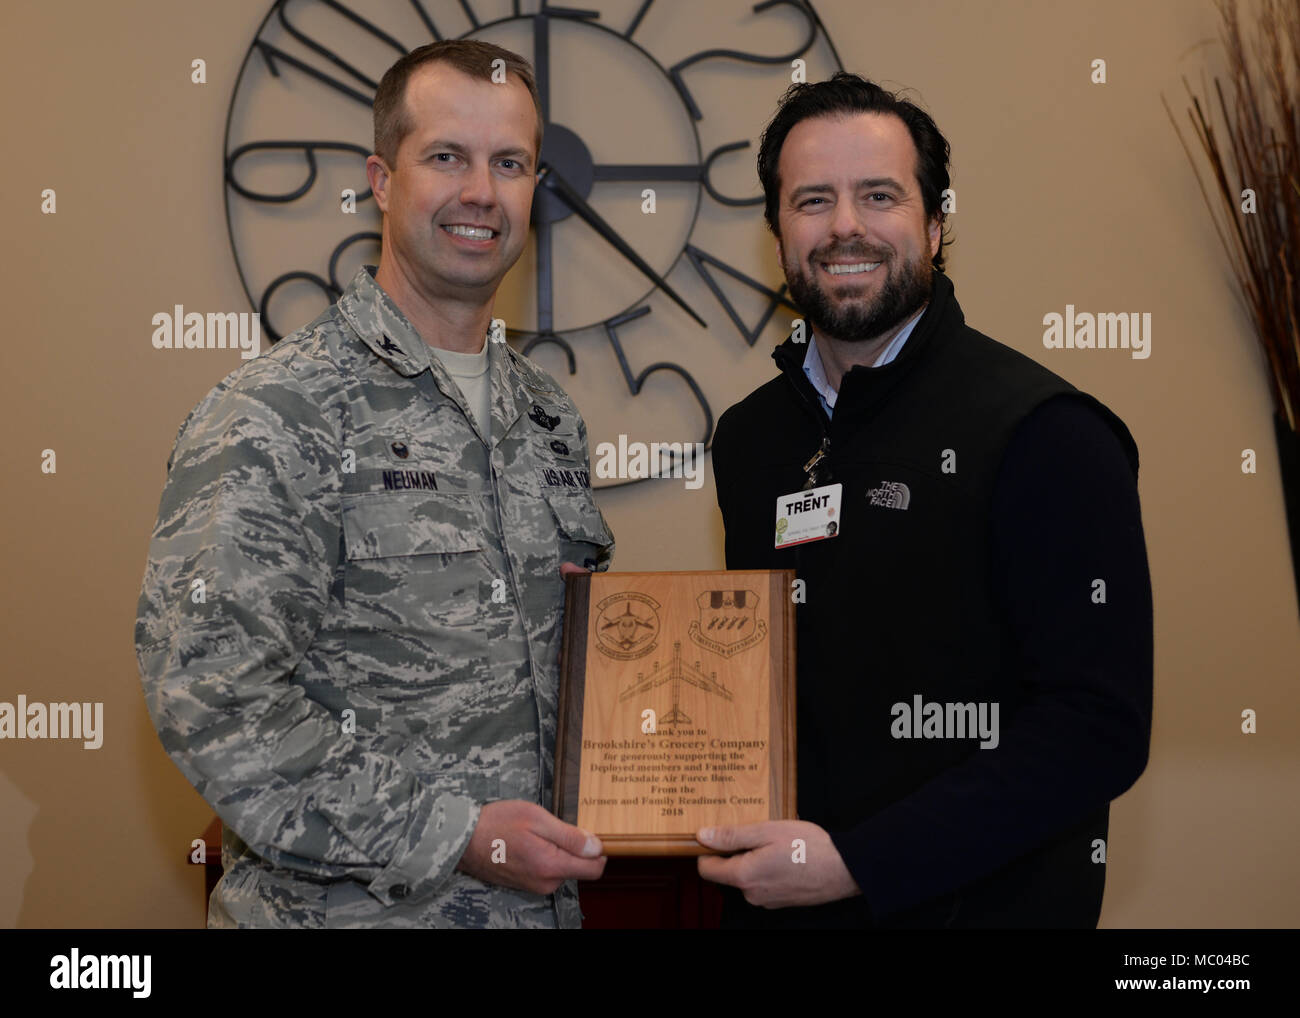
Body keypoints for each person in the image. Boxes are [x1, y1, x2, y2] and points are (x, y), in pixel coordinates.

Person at [135, 39, 615, 928]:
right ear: (382, 180)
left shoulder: (548, 418)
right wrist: (453, 832)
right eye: (446, 157)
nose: (481, 192)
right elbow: (214, 696)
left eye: (509, 163)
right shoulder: (280, 409)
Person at [699, 73, 1153, 928]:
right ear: (777, 233)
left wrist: (859, 863)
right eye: (812, 201)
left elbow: (1098, 726)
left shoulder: (1047, 431)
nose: (844, 227)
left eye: (879, 195)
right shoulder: (751, 441)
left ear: (936, 224)